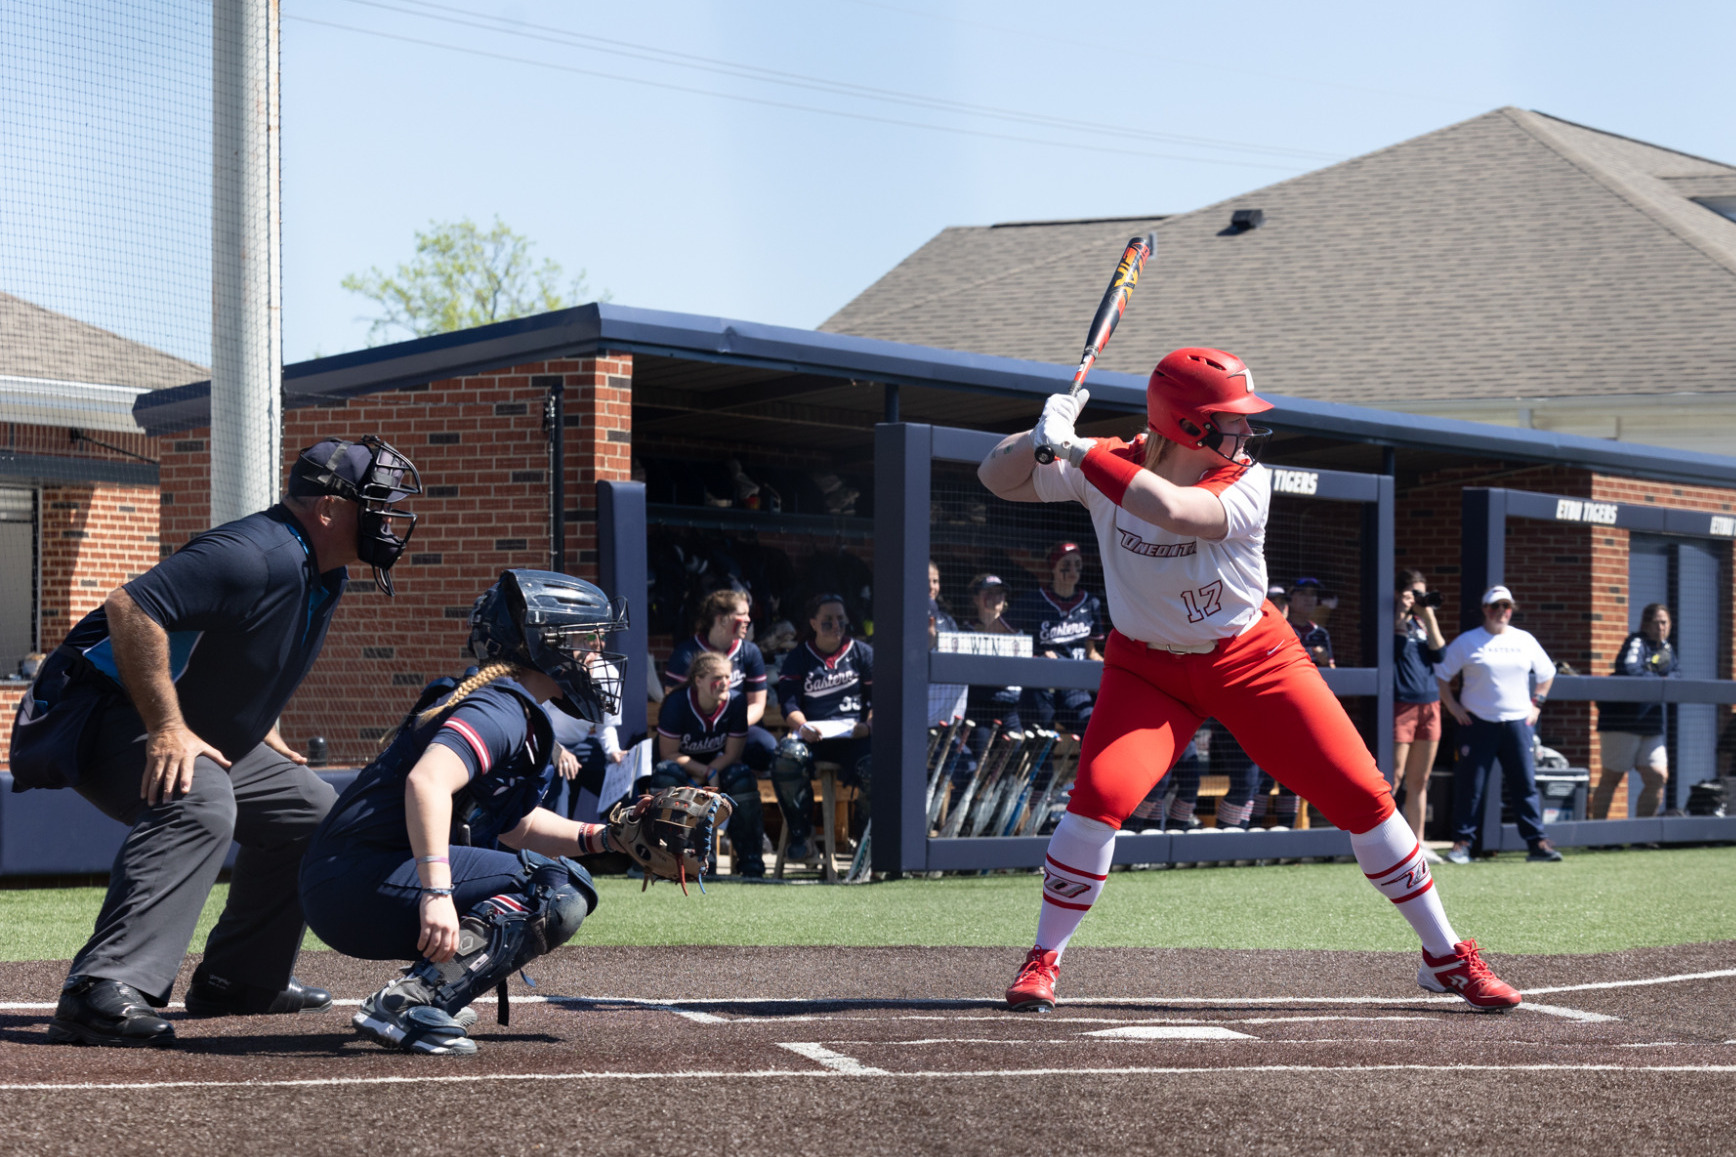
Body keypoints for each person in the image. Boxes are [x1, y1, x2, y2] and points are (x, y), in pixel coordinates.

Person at [978, 346, 1521, 1014]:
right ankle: (1044, 958)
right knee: (1099, 794)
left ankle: (1444, 956)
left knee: (1362, 792)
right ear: (1188, 424)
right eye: (1231, 419)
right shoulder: (1113, 458)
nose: (1246, 432)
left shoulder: (1244, 480)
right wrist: (1037, 437)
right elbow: (995, 477)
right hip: (1146, 668)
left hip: (1250, 656)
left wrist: (1079, 452)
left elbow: (1176, 511)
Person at [9, 435, 421, 1047]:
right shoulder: (253, 554)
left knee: (311, 812)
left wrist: (259, 719)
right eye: (377, 504)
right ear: (331, 509)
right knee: (197, 800)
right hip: (96, 716)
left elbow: (241, 647)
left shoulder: (323, 569)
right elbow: (131, 608)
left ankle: (238, 980)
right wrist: (168, 728)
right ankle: (100, 991)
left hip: (184, 718)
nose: (389, 520)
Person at [300, 569, 631, 1055]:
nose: (597, 655)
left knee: (561, 874)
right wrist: (437, 892)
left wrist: (607, 837)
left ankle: (429, 992)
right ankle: (412, 1000)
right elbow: (427, 781)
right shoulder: (501, 708)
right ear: (544, 643)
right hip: (355, 879)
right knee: (561, 886)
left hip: (347, 880)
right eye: (587, 640)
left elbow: (516, 827)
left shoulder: (508, 704)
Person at [1435, 585, 1561, 864]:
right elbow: (1442, 675)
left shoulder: (1524, 640)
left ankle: (1537, 843)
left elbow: (1547, 673)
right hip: (1477, 723)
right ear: (1484, 609)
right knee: (1470, 786)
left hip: (1518, 723)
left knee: (1525, 785)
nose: (1501, 612)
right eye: (1495, 607)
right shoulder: (1467, 642)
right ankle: (1462, 843)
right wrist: (1453, 707)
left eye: (1506, 607)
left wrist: (1536, 704)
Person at [771, 593, 873, 862]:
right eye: (827, 621)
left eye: (841, 619)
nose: (836, 626)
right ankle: (801, 837)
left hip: (854, 738)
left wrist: (869, 725)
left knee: (876, 764)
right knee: (787, 758)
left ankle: (865, 839)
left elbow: (880, 700)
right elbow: (788, 704)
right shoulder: (799, 657)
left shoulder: (863, 654)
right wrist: (802, 726)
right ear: (813, 623)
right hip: (813, 738)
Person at [645, 651, 767, 876]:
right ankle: (665, 860)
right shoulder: (677, 702)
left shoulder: (737, 701)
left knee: (742, 778)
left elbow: (733, 753)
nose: (724, 683)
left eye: (728, 677)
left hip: (719, 766)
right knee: (666, 776)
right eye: (717, 678)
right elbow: (669, 753)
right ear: (698, 680)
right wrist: (705, 773)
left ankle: (751, 860)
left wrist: (712, 772)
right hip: (681, 766)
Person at [663, 589, 777, 774]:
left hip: (738, 729)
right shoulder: (686, 653)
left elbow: (757, 703)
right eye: (741, 614)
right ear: (721, 619)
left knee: (766, 747)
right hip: (695, 734)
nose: (748, 619)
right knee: (667, 773)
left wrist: (732, 729)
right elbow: (672, 702)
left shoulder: (750, 652)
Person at [1006, 541, 1104, 735]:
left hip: (1075, 684)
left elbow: (1091, 652)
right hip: (1041, 684)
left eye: (1077, 564)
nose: (1072, 570)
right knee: (1042, 738)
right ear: (1054, 567)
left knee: (1091, 726)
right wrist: (1036, 655)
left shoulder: (1091, 603)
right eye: (1066, 565)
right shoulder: (1035, 600)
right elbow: (999, 632)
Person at [1591, 603, 1676, 820]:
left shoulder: (1667, 649)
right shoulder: (1636, 642)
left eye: (1664, 622)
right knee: (1612, 778)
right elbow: (1629, 670)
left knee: (1657, 777)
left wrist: (1662, 680)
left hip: (1651, 726)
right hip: (1622, 723)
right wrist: (1659, 680)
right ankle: (1597, 836)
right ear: (1646, 624)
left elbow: (1677, 676)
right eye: (1656, 622)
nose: (1661, 627)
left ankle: (1642, 835)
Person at [1394, 570, 1448, 863]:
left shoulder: (1422, 622)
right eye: (1413, 592)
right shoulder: (1393, 620)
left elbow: (1441, 656)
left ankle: (1418, 843)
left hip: (1430, 704)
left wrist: (1428, 616)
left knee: (1420, 780)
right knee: (1394, 776)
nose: (1418, 598)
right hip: (1401, 704)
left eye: (1421, 593)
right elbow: (1396, 651)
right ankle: (1384, 842)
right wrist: (1400, 613)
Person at [541, 682, 626, 823]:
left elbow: (606, 724)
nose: (592, 658)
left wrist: (613, 752)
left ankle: (620, 837)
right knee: (557, 798)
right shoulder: (553, 670)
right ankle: (556, 837)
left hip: (585, 745)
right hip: (549, 744)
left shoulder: (609, 672)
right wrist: (557, 750)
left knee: (625, 789)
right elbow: (538, 723)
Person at [1289, 577, 1334, 668]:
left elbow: (1333, 668)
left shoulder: (1321, 633)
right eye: (1303, 593)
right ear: (1290, 599)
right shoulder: (1282, 630)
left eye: (1313, 594)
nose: (1308, 599)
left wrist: (1325, 661)